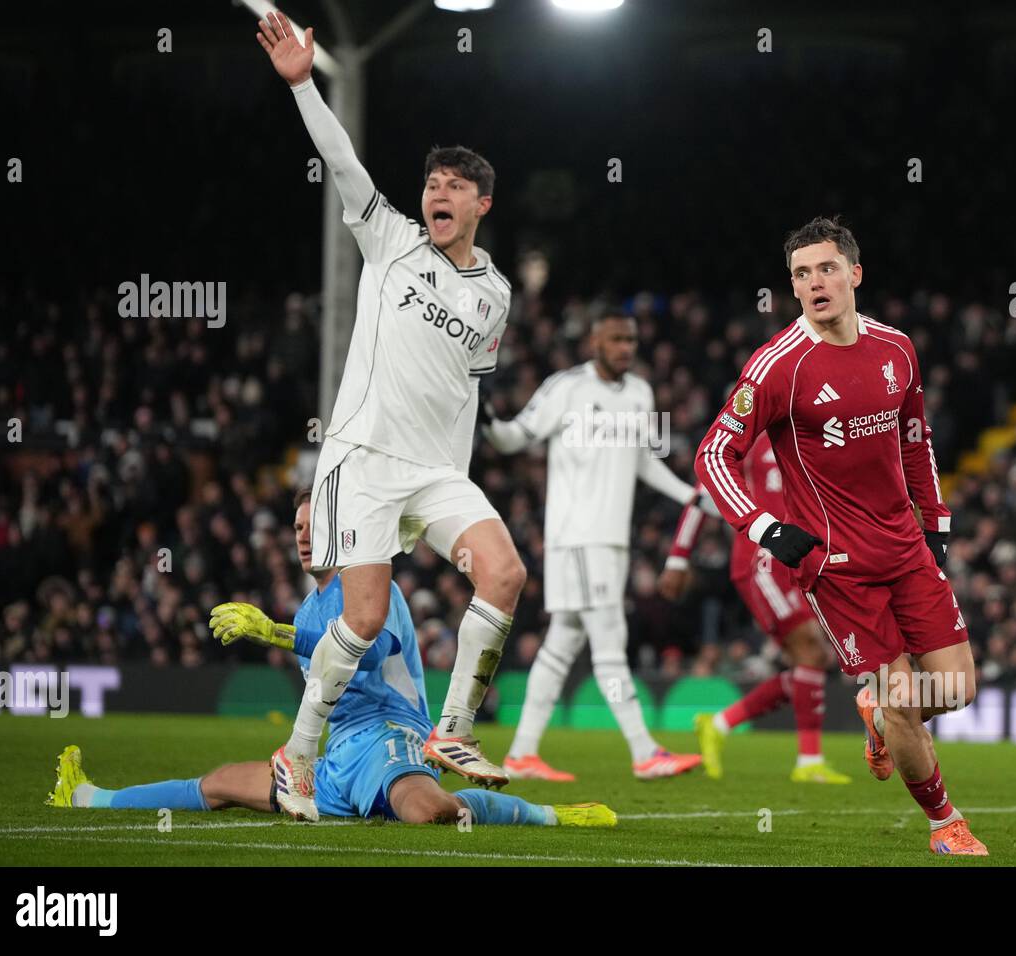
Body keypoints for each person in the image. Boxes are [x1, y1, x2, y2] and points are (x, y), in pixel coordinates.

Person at [254, 11, 523, 817]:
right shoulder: (389, 238)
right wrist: (304, 83)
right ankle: (296, 758)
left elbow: (468, 383)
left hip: (437, 471)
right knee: (364, 618)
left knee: (504, 574)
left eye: (454, 187)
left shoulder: (497, 294)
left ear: (481, 204)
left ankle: (452, 730)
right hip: (364, 457)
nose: (437, 192)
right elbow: (341, 160)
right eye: (431, 182)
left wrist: (460, 472)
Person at [47, 490, 614, 831]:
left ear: (341, 530)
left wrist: (275, 633)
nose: (301, 535)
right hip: (332, 754)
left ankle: (545, 815)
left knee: (427, 813)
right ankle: (88, 796)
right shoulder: (313, 604)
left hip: (389, 734)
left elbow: (372, 653)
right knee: (221, 783)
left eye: (312, 525)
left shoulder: (370, 585)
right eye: (295, 526)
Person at [693, 216, 987, 855]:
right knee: (906, 702)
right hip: (839, 567)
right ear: (793, 288)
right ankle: (945, 823)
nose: (814, 282)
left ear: (855, 273)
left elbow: (916, 439)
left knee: (958, 688)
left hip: (906, 547)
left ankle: (880, 719)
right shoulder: (778, 367)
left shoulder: (897, 349)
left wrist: (935, 523)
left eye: (826, 268)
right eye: (801, 274)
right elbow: (713, 455)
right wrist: (767, 528)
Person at [482, 312, 706, 780]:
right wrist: (485, 417)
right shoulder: (565, 387)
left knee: (561, 643)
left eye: (631, 340)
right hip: (579, 536)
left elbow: (644, 461)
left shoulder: (643, 393)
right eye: (617, 340)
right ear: (594, 341)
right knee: (610, 644)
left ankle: (522, 754)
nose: (626, 347)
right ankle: (644, 751)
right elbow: (514, 437)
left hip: (610, 540)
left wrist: (687, 494)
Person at [659, 431, 851, 784]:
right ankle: (809, 761)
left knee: (811, 660)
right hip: (762, 559)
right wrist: (678, 557)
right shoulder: (746, 433)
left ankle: (718, 725)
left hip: (803, 559)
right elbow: (705, 492)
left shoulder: (809, 428)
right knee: (808, 649)